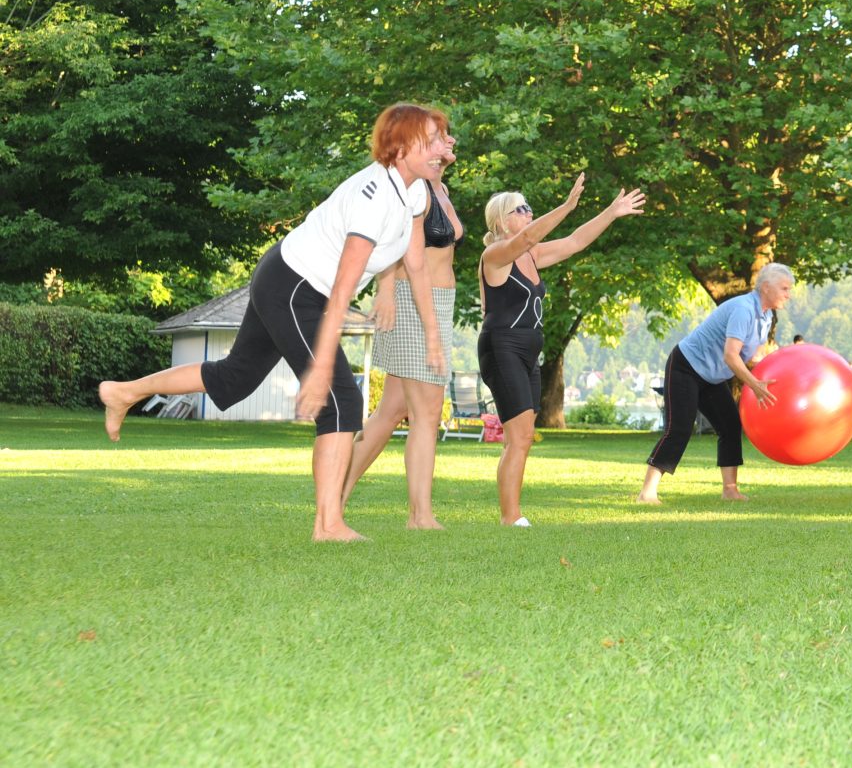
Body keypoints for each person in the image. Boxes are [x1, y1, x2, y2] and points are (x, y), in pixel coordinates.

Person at [98, 104, 454, 541]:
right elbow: (343, 290)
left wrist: (433, 338)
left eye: (443, 138)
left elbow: (415, 266)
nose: (442, 147)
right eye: (432, 139)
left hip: (296, 283)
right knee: (341, 400)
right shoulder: (374, 196)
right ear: (401, 147)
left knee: (235, 377)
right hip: (293, 283)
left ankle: (124, 392)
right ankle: (328, 524)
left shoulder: (414, 193)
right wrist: (322, 364)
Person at [478, 175, 646, 526]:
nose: (528, 212)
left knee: (522, 437)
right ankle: (511, 518)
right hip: (502, 346)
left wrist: (610, 213)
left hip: (527, 352)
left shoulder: (532, 255)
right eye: (520, 209)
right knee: (519, 436)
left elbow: (574, 242)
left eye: (528, 207)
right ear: (501, 221)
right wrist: (567, 206)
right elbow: (527, 236)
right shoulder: (495, 254)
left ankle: (513, 515)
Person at [341, 134, 466, 528]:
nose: (450, 144)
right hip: (415, 304)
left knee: (389, 413)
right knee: (427, 413)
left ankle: (334, 497)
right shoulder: (414, 192)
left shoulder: (439, 188)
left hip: (437, 305)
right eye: (441, 141)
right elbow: (392, 245)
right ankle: (420, 515)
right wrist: (387, 291)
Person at [638, 264, 793, 504]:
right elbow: (731, 356)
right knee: (678, 428)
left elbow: (753, 358)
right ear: (765, 287)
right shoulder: (744, 310)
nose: (788, 294)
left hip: (712, 376)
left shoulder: (767, 317)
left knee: (730, 426)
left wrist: (786, 367)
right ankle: (647, 493)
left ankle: (730, 490)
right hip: (686, 367)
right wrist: (754, 385)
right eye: (784, 288)